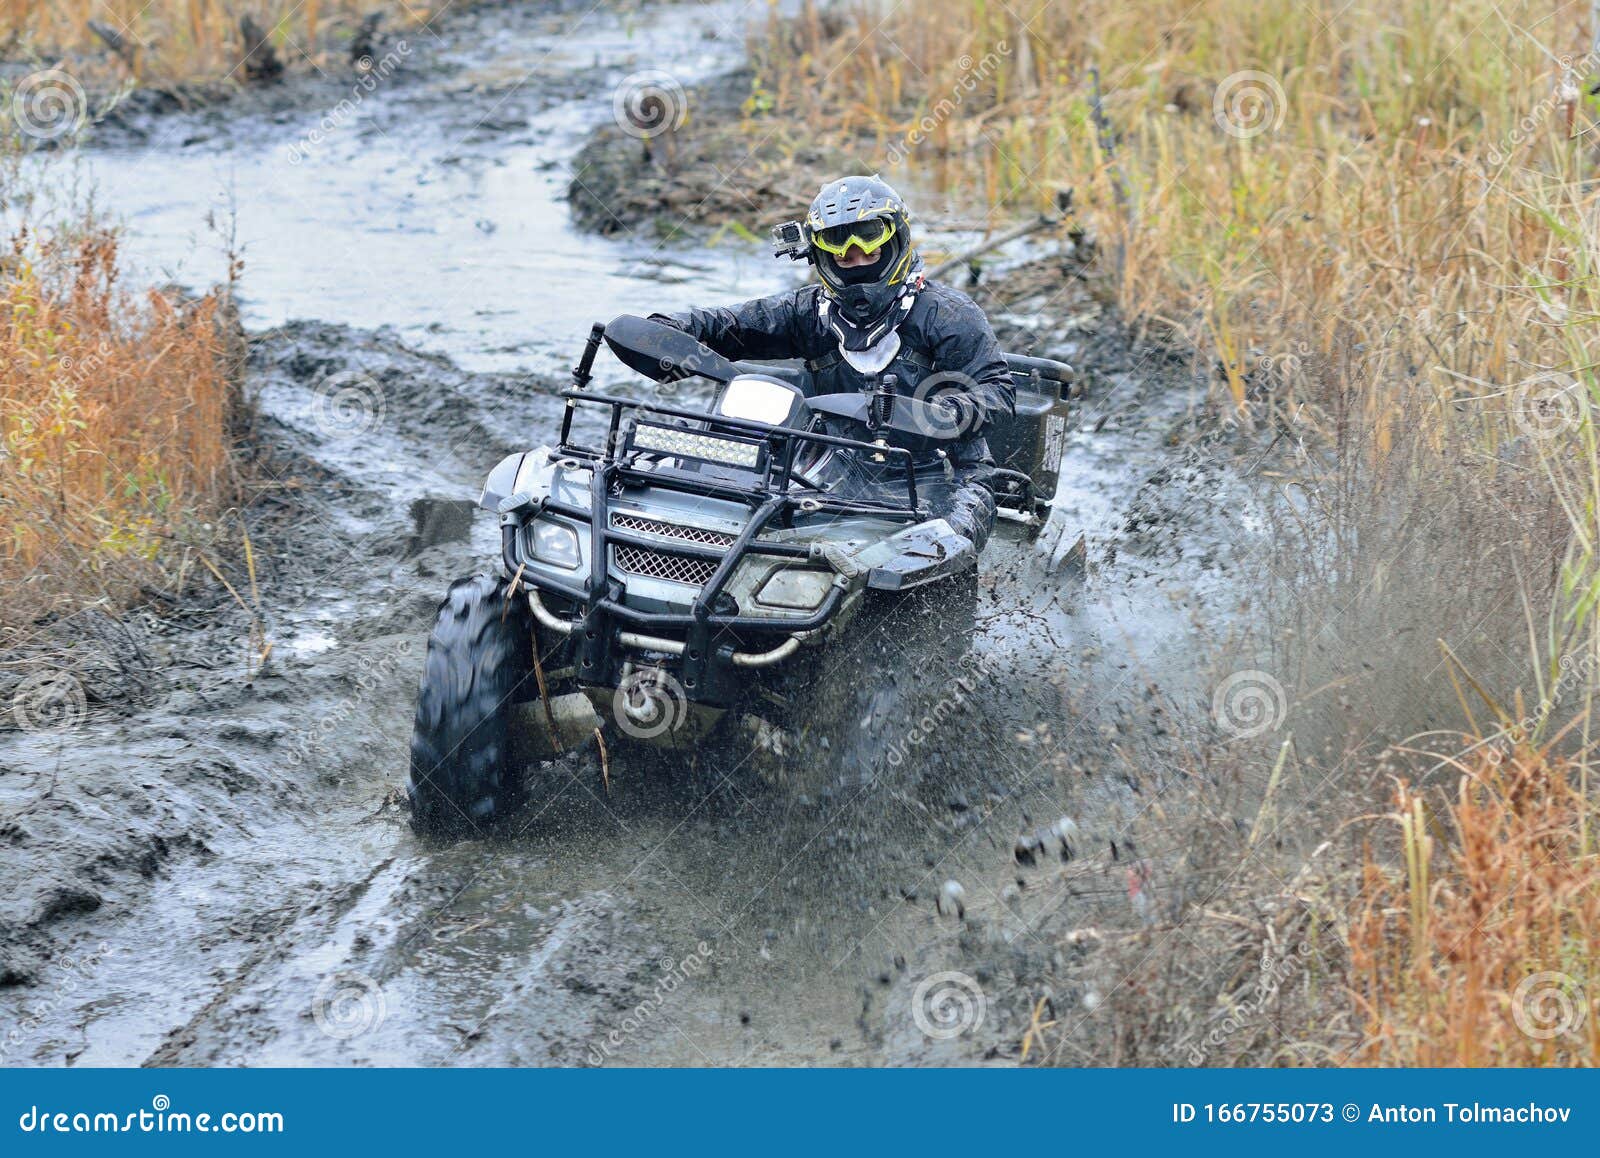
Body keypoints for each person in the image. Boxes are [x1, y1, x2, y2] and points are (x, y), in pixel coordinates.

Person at [652, 174, 1013, 549]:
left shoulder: (949, 315)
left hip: (940, 471)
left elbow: (998, 392)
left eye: (868, 251)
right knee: (722, 497)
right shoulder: (806, 311)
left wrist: (937, 415)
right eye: (843, 254)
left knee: (941, 545)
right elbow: (728, 325)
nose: (855, 262)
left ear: (895, 243)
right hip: (830, 467)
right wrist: (672, 329)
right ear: (824, 257)